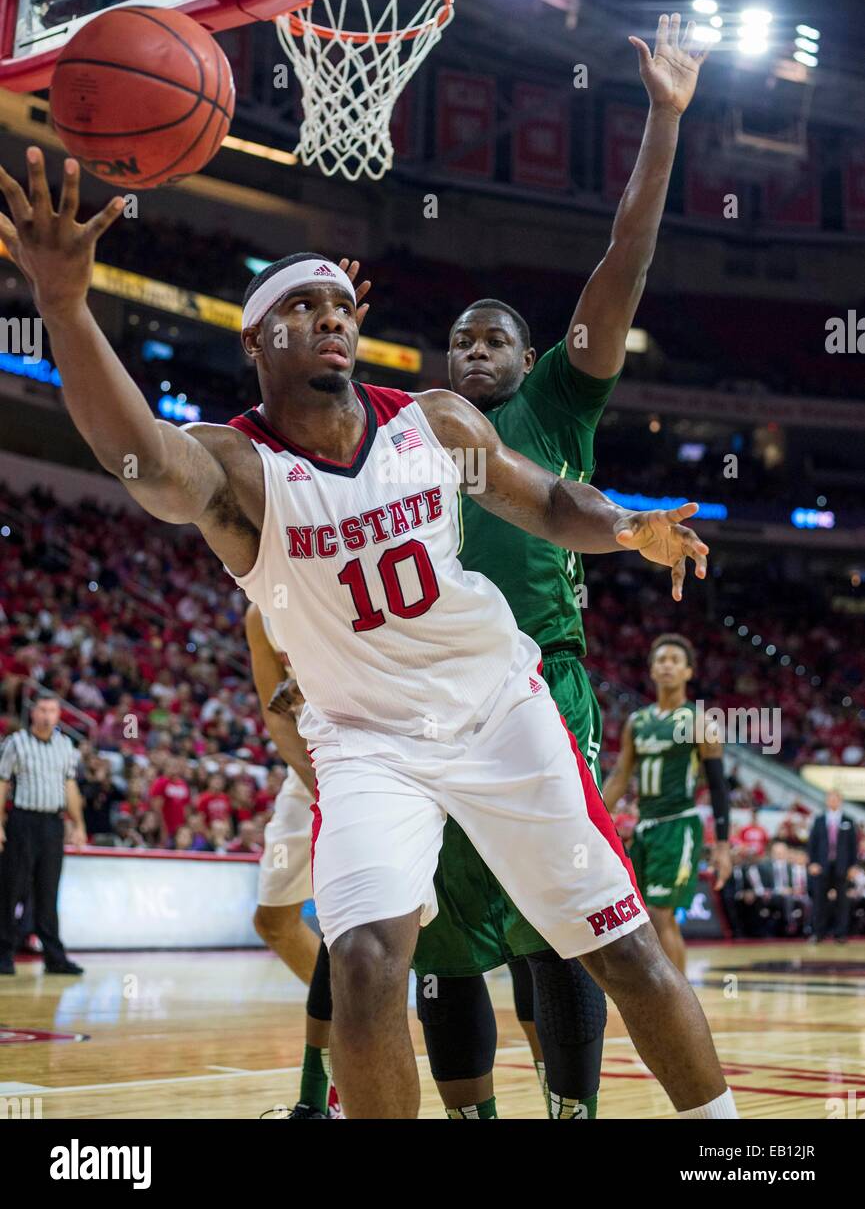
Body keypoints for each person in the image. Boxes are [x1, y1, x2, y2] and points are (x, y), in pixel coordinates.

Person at [0, 150, 735, 1121]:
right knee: (362, 960)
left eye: (342, 304)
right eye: (303, 308)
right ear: (255, 339)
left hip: (497, 710)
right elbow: (136, 456)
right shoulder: (238, 469)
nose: (331, 318)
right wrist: (64, 306)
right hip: (366, 746)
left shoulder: (433, 422)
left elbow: (549, 500)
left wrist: (623, 525)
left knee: (619, 944)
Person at [412, 10, 709, 1119]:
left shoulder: (552, 406)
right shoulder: (415, 435)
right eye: (458, 341)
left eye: (491, 339)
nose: (471, 351)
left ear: (529, 358)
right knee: (444, 938)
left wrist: (662, 121)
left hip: (544, 681)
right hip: (433, 698)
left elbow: (620, 262)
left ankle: (573, 1111)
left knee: (561, 918)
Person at [245, 601, 341, 1120]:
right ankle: (348, 1012)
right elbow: (274, 713)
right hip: (309, 766)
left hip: (361, 746)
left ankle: (333, 1084)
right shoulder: (260, 615)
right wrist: (313, 782)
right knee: (273, 921)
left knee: (344, 930)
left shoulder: (318, 566)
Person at [603, 634, 731, 973]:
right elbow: (619, 776)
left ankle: (679, 1000)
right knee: (644, 915)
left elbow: (718, 786)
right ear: (651, 669)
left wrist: (722, 845)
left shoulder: (701, 722)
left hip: (678, 824)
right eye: (661, 659)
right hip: (645, 826)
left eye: (675, 659)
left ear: (689, 672)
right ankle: (661, 995)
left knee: (661, 913)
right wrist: (593, 818)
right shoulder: (638, 722)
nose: (667, 665)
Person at [0, 695, 86, 975]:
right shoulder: (16, 742)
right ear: (32, 712)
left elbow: (69, 786)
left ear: (59, 715)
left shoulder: (65, 745)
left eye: (52, 710)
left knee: (49, 890)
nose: (47, 715)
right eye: (42, 709)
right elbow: (2, 783)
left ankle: (54, 956)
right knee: (12, 888)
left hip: (53, 822)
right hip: (23, 820)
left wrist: (79, 824)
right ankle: (3, 953)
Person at [808, 790, 858, 944]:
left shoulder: (848, 821)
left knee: (842, 902)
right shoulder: (819, 820)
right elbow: (812, 844)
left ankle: (841, 933)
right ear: (826, 801)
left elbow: (853, 846)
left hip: (842, 866)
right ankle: (818, 933)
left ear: (840, 801)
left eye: (836, 798)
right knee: (819, 901)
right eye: (830, 798)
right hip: (822, 865)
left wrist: (853, 866)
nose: (833, 801)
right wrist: (812, 862)